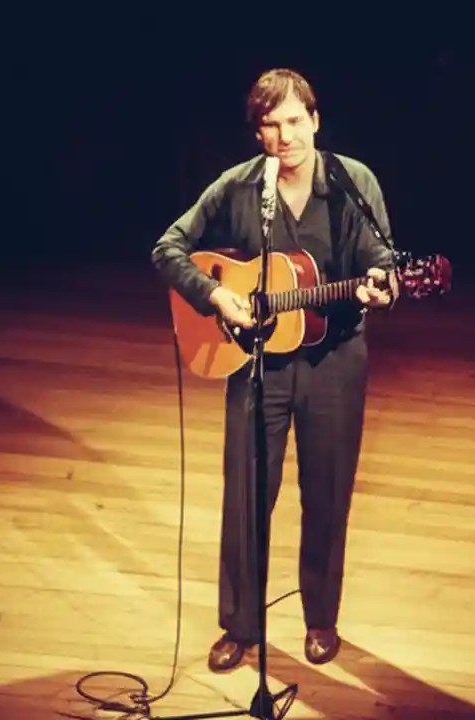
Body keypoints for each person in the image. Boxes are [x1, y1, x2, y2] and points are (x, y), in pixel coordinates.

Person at [150, 67, 398, 672]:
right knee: (246, 496)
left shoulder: (351, 181)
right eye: (271, 126)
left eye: (295, 121)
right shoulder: (238, 188)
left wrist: (384, 286)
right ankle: (240, 625)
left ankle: (320, 620)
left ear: (314, 119)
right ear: (258, 134)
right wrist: (216, 298)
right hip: (257, 359)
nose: (285, 136)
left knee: (327, 494)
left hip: (334, 358)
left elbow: (381, 258)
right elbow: (168, 247)